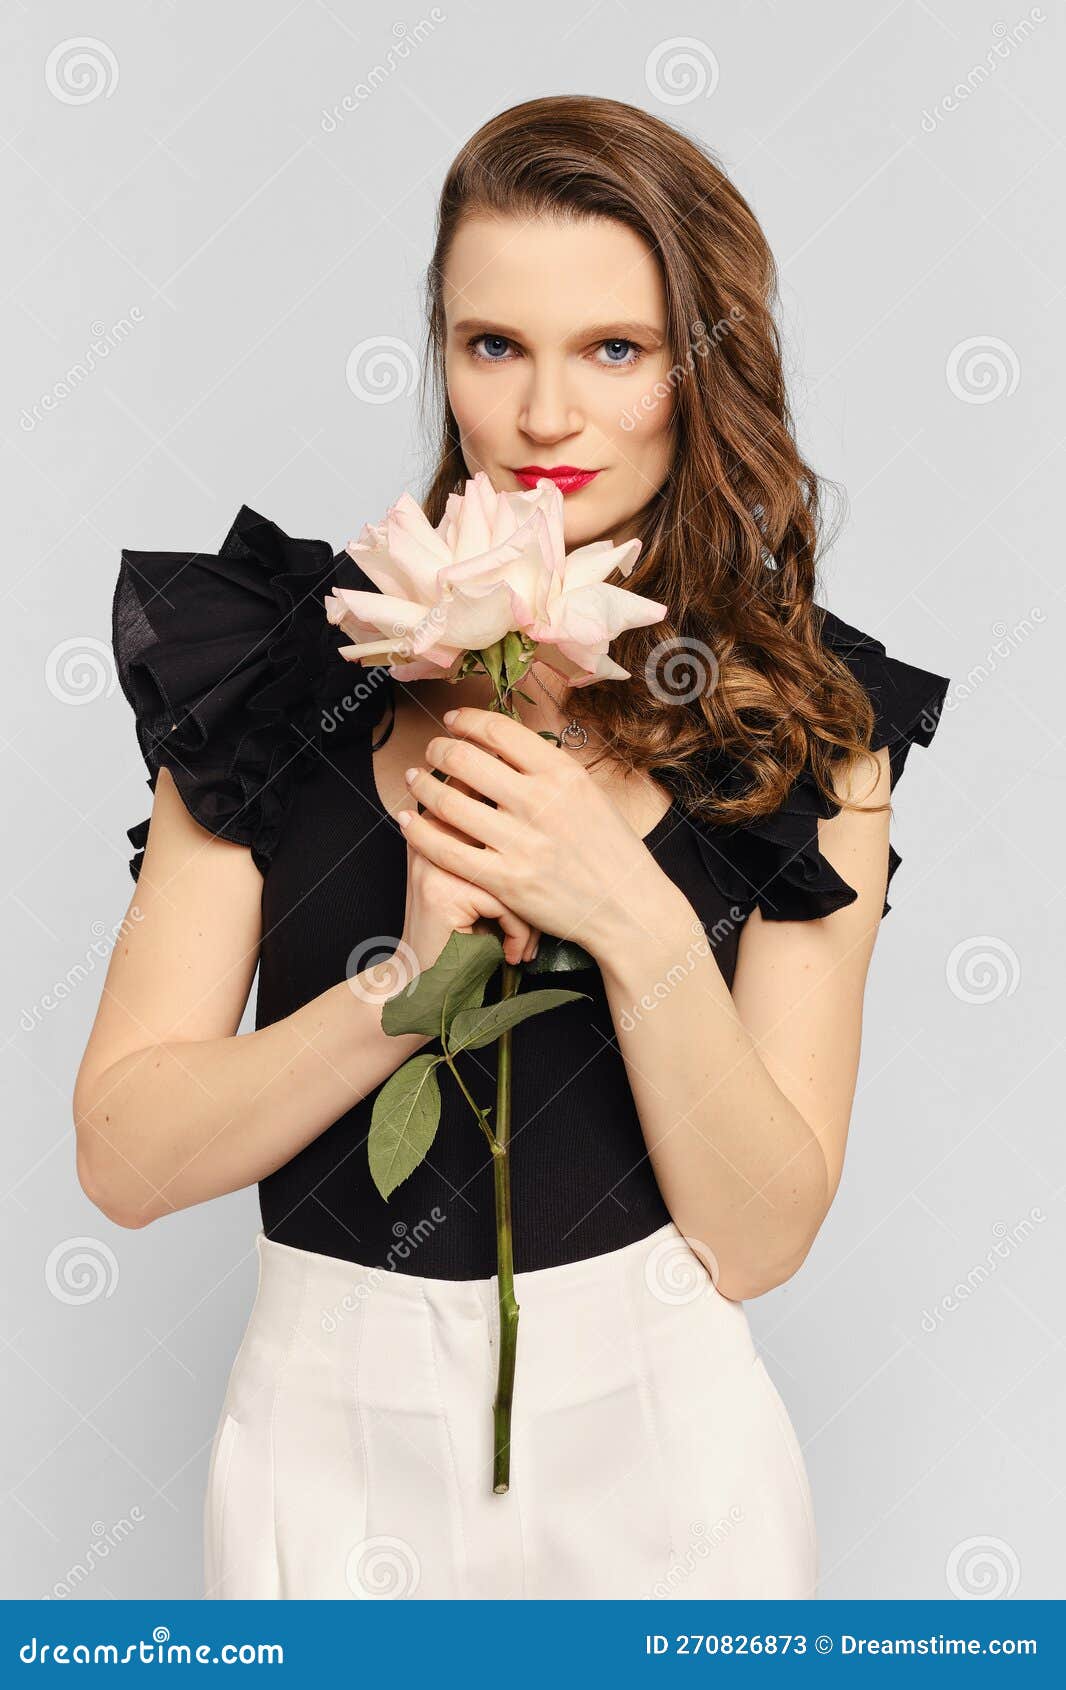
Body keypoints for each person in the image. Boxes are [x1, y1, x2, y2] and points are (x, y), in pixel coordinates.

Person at [74, 94, 950, 1600]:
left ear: (701, 367)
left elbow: (756, 1237)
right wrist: (401, 993)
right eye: (495, 345)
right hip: (324, 1456)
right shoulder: (281, 675)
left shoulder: (810, 729)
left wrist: (626, 911)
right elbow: (124, 1155)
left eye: (613, 349)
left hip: (667, 1468)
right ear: (443, 357)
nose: (548, 416)